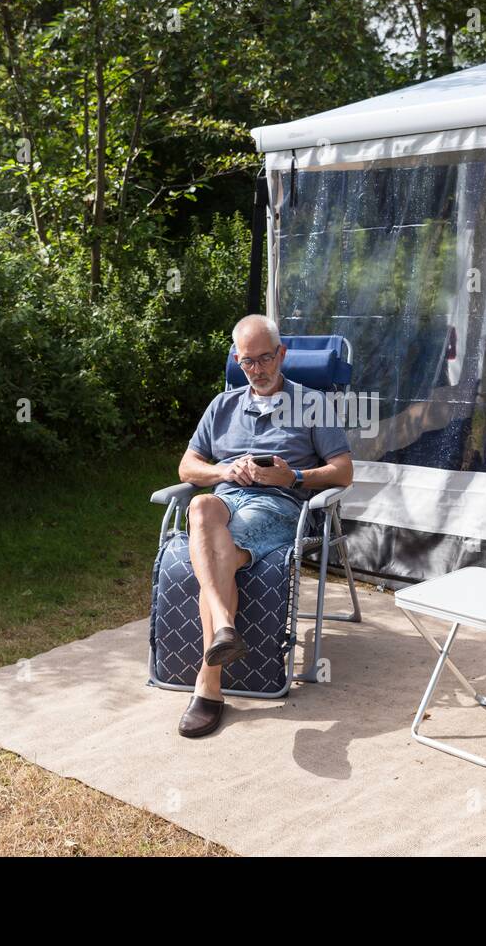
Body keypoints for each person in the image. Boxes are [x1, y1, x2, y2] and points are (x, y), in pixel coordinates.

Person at [174, 314, 353, 737]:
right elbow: (187, 467)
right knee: (200, 507)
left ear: (282, 354)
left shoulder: (312, 404)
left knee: (212, 554)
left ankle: (208, 687)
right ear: (238, 361)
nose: (258, 369)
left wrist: (293, 477)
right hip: (226, 500)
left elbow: (344, 471)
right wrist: (222, 471)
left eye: (266, 358)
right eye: (248, 361)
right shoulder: (222, 406)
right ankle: (224, 627)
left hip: (277, 505)